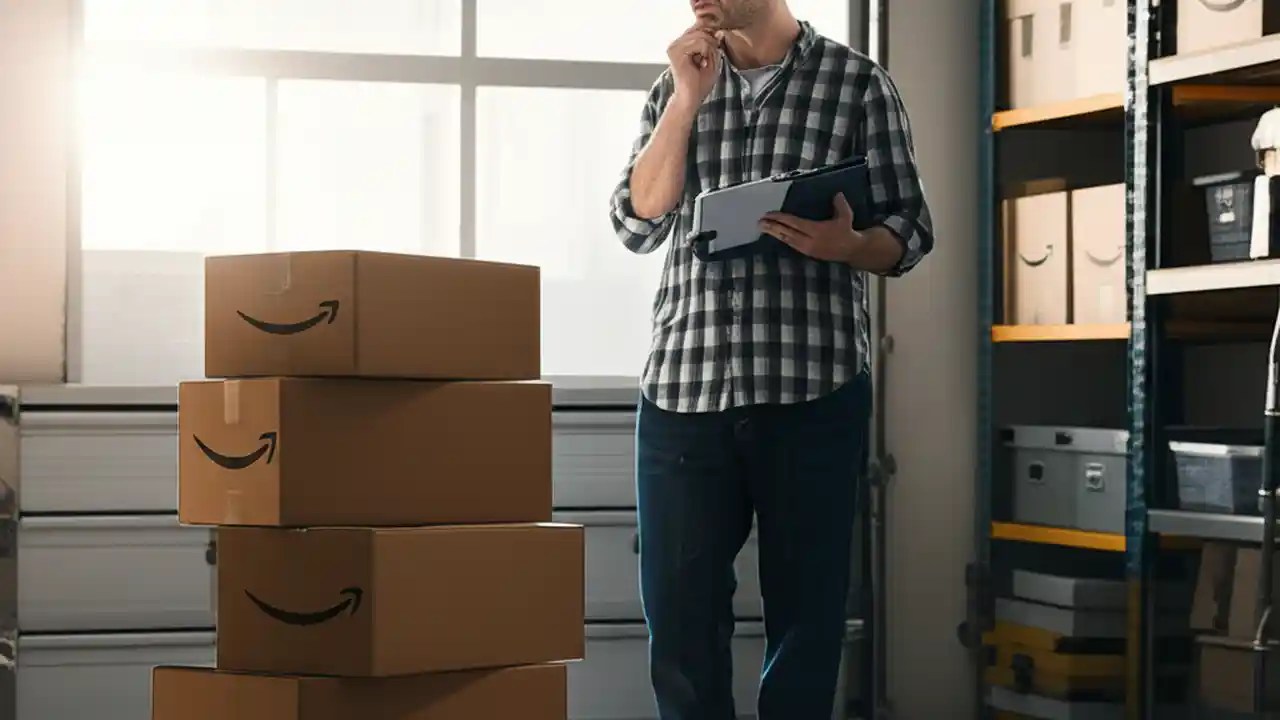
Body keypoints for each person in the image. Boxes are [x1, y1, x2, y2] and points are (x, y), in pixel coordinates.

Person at [608, 0, 934, 717]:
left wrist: (851, 246)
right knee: (680, 622)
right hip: (685, 390)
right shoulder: (677, 85)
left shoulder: (858, 83)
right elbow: (637, 221)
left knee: (807, 620)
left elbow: (909, 229)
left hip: (812, 390)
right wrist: (686, 102)